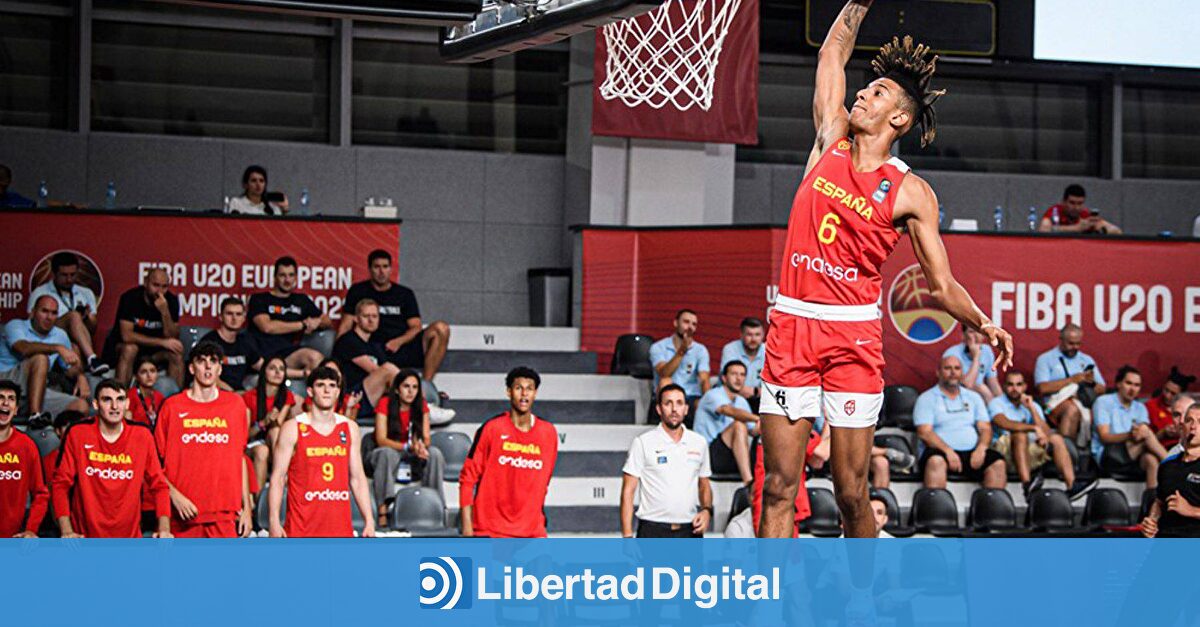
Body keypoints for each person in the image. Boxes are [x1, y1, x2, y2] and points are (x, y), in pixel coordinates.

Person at [758, 0, 1013, 540]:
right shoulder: (831, 137)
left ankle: (859, 605)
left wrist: (983, 322)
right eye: (863, 88)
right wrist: (858, 3)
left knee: (851, 492)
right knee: (780, 486)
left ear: (898, 117)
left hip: (852, 336)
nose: (860, 94)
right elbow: (832, 52)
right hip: (793, 325)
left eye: (875, 93)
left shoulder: (912, 193)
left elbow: (940, 284)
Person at [155, 343, 253, 538]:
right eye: (201, 361)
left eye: (213, 361)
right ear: (192, 368)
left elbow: (239, 458)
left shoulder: (235, 405)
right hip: (184, 515)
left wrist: (247, 509)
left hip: (224, 516)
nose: (208, 367)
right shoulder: (172, 407)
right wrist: (173, 495)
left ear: (220, 369)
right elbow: (154, 465)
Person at [52, 380, 171, 538]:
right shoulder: (78, 434)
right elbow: (60, 484)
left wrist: (164, 528)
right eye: (107, 400)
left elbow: (160, 485)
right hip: (84, 539)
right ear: (96, 404)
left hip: (129, 540)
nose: (115, 407)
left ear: (127, 403)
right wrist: (66, 531)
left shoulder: (142, 436)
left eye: (120, 399)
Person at [268, 366, 375, 538]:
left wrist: (369, 520)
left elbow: (357, 478)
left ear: (338, 392)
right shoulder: (292, 428)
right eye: (320, 385)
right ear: (310, 391)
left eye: (332, 385)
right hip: (301, 528)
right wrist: (273, 521)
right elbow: (278, 478)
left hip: (339, 529)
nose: (326, 390)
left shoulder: (349, 428)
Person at [459, 367, 558, 538]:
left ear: (535, 393)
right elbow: (467, 480)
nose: (524, 394)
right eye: (519, 388)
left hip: (531, 532)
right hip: (490, 530)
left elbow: (544, 482)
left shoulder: (548, 433)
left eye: (530, 388)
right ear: (509, 392)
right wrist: (468, 529)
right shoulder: (491, 428)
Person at [340, 249, 451, 385]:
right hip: (372, 346)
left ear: (391, 269)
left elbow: (416, 327)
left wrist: (398, 341)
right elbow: (346, 324)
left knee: (441, 328)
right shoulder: (358, 291)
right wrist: (337, 355)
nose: (381, 271)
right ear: (369, 269)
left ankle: (427, 385)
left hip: (402, 346)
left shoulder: (404, 294)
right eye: (377, 267)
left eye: (385, 267)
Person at [620, 384, 713, 538]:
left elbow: (704, 484)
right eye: (668, 403)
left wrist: (706, 510)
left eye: (679, 403)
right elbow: (627, 491)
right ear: (659, 409)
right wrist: (627, 536)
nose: (674, 409)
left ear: (686, 409)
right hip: (652, 530)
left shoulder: (699, 442)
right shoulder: (643, 442)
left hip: (690, 531)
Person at [989, 370, 1093, 499]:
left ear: (1025, 387)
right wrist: (1033, 428)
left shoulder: (1032, 405)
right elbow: (1003, 422)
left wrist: (1031, 409)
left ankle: (1072, 486)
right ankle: (1028, 485)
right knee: (1019, 434)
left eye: (1018, 384)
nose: (1014, 389)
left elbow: (1047, 432)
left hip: (1027, 452)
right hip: (1004, 452)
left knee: (1056, 438)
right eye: (1010, 385)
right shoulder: (996, 402)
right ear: (1004, 386)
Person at [914, 356, 1007, 490]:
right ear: (938, 372)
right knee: (936, 461)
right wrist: (948, 452)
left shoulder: (974, 397)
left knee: (997, 462)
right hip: (941, 453)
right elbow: (924, 432)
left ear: (962, 373)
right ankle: (937, 508)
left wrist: (981, 449)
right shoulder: (926, 398)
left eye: (957, 368)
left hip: (972, 454)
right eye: (947, 368)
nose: (953, 372)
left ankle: (991, 507)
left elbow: (985, 428)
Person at [369, 369, 446, 527]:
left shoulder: (421, 405)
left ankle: (435, 503)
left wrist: (421, 447)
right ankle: (383, 508)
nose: (411, 391)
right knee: (386, 454)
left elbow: (426, 438)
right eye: (406, 386)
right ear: (397, 389)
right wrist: (407, 446)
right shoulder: (385, 403)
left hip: (411, 451)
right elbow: (381, 439)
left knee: (435, 454)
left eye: (414, 387)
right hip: (390, 449)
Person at [0, 294, 91, 425]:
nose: (49, 317)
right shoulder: (15, 325)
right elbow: (23, 348)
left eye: (54, 313)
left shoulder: (60, 335)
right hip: (6, 383)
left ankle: (66, 443)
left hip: (36, 390)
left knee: (80, 406)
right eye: (44, 311)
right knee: (41, 359)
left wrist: (80, 376)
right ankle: (35, 416)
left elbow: (70, 367)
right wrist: (57, 348)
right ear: (32, 312)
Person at [28, 251, 108, 376]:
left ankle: (80, 384)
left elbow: (92, 330)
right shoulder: (40, 293)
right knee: (73, 316)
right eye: (64, 275)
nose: (69, 279)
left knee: (75, 346)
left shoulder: (86, 293)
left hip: (76, 342)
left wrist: (88, 318)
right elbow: (31, 324)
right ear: (54, 274)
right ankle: (92, 359)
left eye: (73, 274)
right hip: (50, 337)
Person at [101, 267, 183, 388]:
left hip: (154, 353)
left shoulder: (171, 301)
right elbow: (126, 335)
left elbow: (172, 337)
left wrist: (165, 312)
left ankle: (176, 402)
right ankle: (119, 396)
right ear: (145, 283)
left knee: (176, 354)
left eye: (164, 286)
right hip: (125, 349)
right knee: (130, 349)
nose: (159, 291)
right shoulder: (130, 298)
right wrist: (162, 342)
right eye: (156, 285)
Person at [248, 257, 328, 376]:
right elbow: (267, 327)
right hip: (262, 355)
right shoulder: (259, 299)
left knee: (315, 358)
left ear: (296, 277)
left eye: (291, 275)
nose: (287, 280)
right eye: (282, 275)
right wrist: (303, 324)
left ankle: (312, 394)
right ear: (275, 277)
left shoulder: (301, 300)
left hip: (288, 354)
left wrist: (317, 322)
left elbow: (327, 321)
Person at [1092, 366, 1168, 489]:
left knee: (1151, 460)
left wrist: (1140, 434)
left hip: (1133, 453)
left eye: (1137, 385)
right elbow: (1104, 436)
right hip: (1108, 455)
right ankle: (1173, 464)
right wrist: (1130, 435)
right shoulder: (1103, 402)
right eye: (1129, 383)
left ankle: (1151, 504)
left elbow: (1144, 437)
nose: (1132, 389)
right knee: (1146, 433)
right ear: (1118, 384)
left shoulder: (1140, 407)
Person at [1034, 324, 1105, 442]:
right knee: (1072, 409)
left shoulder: (1087, 360)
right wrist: (1071, 380)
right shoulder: (1045, 359)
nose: (1075, 347)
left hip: (1083, 402)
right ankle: (1066, 451)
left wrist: (1090, 383)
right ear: (1061, 340)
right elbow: (1042, 388)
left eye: (1078, 344)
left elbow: (1102, 388)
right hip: (1053, 405)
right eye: (1071, 343)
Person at [692, 361, 758, 483]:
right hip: (708, 456)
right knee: (738, 425)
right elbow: (727, 410)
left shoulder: (741, 401)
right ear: (724, 378)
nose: (739, 378)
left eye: (742, 375)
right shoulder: (712, 395)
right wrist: (757, 418)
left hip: (732, 455)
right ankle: (749, 484)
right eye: (734, 374)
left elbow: (754, 430)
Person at [1141, 404, 1200, 538]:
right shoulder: (1168, 465)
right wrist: (1152, 520)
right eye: (1189, 420)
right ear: (1182, 427)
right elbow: (1160, 501)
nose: (1193, 426)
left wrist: (1191, 510)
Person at [0, 381, 49, 538]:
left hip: (11, 542)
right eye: (0, 397)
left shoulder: (26, 446)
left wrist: (31, 529)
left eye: (11, 398)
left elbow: (41, 494)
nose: (5, 403)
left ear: (16, 410)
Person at [332, 299, 400, 409]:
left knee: (402, 381)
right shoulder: (347, 341)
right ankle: (422, 407)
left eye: (374, 316)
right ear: (356, 318)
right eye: (366, 316)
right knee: (390, 370)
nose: (371, 320)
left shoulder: (375, 345)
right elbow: (376, 370)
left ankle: (419, 408)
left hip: (372, 394)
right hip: (351, 398)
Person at [243, 355, 296, 493]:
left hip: (275, 442)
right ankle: (259, 502)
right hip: (253, 443)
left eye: (281, 369)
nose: (278, 373)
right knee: (262, 450)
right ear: (264, 372)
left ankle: (280, 476)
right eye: (272, 368)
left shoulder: (286, 396)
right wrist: (263, 423)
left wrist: (271, 422)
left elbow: (277, 424)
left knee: (275, 431)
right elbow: (245, 435)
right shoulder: (250, 397)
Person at [199, 297, 265, 391]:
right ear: (220, 317)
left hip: (238, 394)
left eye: (238, 314)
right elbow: (207, 376)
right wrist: (233, 394)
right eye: (229, 314)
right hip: (214, 392)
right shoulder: (209, 342)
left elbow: (266, 367)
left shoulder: (245, 342)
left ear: (243, 318)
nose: (234, 318)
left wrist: (292, 372)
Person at [650, 309, 711, 403]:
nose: (690, 327)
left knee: (701, 402)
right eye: (686, 322)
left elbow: (704, 379)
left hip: (691, 395)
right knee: (665, 381)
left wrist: (709, 403)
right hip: (667, 395)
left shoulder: (701, 350)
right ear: (675, 323)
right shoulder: (658, 347)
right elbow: (664, 373)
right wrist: (682, 351)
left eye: (694, 324)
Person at [942, 327, 1001, 403]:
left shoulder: (987, 351)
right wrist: (976, 357)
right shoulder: (952, 354)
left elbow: (994, 385)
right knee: (983, 390)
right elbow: (966, 385)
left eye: (979, 332)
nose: (976, 336)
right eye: (971, 332)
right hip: (955, 398)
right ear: (963, 336)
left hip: (979, 399)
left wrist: (1003, 407)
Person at [1037, 184, 1122, 234]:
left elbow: (1117, 231)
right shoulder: (1055, 211)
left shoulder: (1085, 214)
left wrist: (1099, 228)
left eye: (1080, 203)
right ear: (1063, 202)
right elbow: (1043, 230)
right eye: (1072, 203)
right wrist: (1076, 228)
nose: (1076, 207)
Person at [720, 317, 766, 411]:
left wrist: (756, 392)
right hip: (733, 396)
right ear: (741, 335)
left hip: (761, 400)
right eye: (749, 334)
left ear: (763, 335)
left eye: (757, 335)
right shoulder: (730, 349)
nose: (753, 339)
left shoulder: (769, 351)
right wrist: (755, 391)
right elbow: (726, 381)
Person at [1145, 367, 1195, 449]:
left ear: (1181, 394)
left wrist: (1181, 432)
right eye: (1166, 390)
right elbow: (1145, 440)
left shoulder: (1188, 407)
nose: (1167, 396)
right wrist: (1163, 432)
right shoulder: (1150, 406)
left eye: (1173, 393)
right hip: (1158, 447)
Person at [127, 357, 164, 426]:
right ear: (136, 376)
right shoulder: (130, 396)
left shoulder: (160, 396)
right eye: (143, 372)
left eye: (152, 371)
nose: (149, 375)